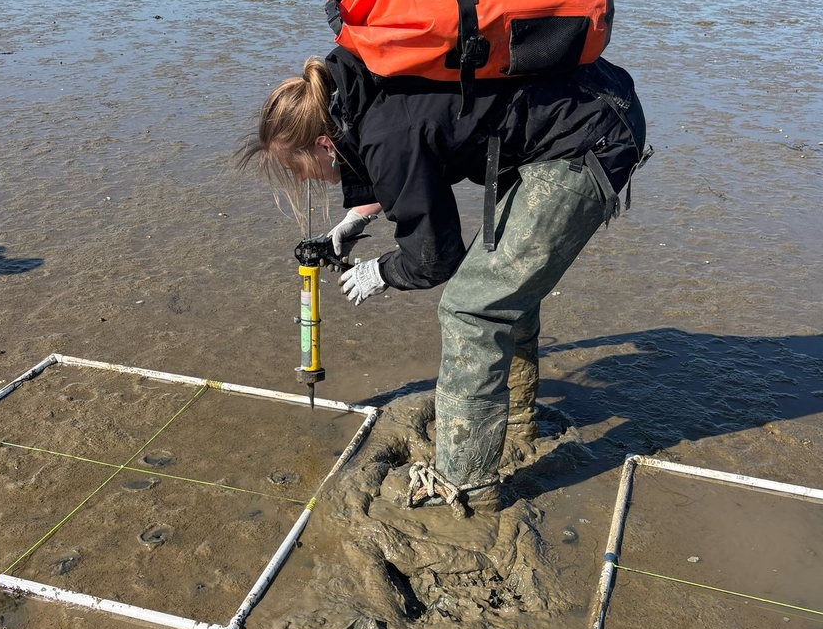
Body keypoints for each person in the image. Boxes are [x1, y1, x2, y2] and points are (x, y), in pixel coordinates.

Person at [238, 45, 647, 512]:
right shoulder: (354, 91)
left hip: (589, 139)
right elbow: (407, 148)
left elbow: (435, 255)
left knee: (472, 308)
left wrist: (381, 271)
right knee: (500, 284)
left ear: (322, 144)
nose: (304, 179)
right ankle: (514, 422)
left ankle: (466, 484)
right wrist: (356, 218)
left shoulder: (382, 131)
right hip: (577, 111)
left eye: (297, 167)